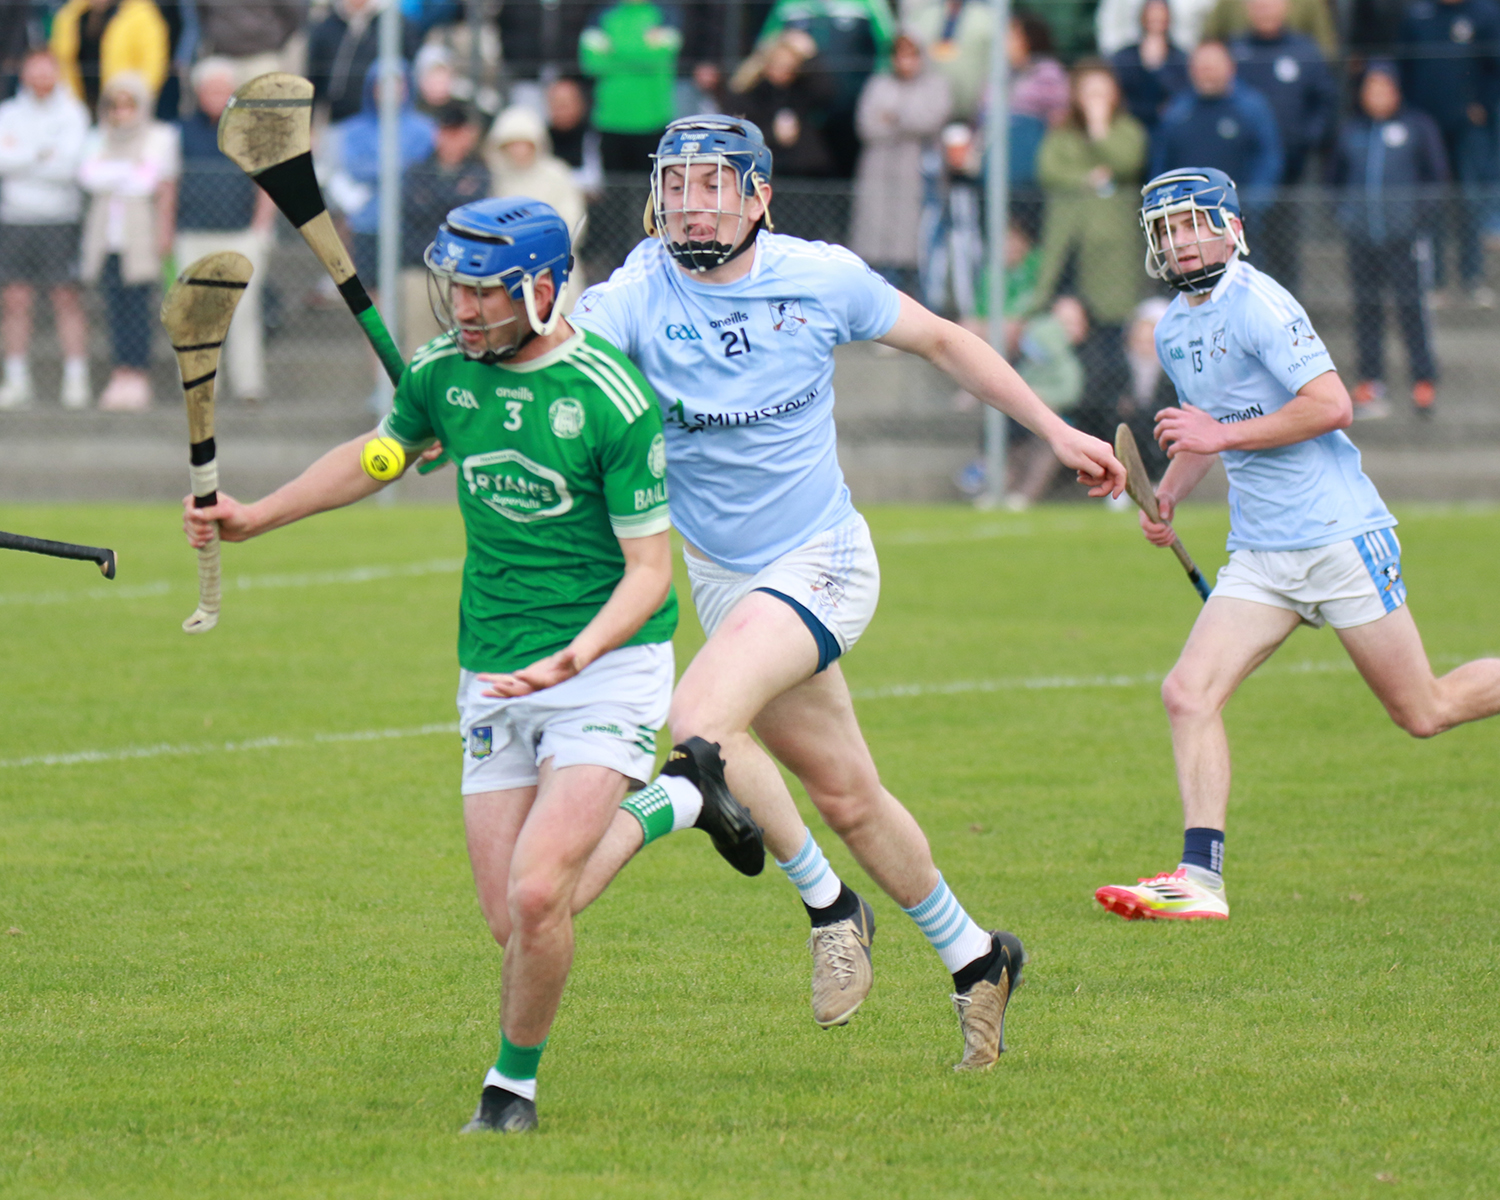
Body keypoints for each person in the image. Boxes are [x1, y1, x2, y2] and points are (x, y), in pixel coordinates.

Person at [180, 197, 765, 1134]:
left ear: (541, 290)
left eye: (483, 293)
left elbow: (651, 571)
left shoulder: (612, 398)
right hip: (493, 664)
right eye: (454, 288)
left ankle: (510, 1091)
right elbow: (378, 456)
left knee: (541, 894)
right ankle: (678, 800)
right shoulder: (443, 372)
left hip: (607, 667)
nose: (462, 308)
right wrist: (260, 514)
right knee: (514, 921)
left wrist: (577, 655)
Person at [565, 115, 1125, 1066]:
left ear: (759, 196)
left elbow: (947, 341)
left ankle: (820, 904)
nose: (691, 203)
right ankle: (975, 956)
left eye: (714, 184)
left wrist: (1054, 429)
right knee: (848, 795)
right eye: (676, 183)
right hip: (725, 580)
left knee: (698, 722)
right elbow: (564, 368)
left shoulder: (819, 277)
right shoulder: (635, 292)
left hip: (823, 561)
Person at [1094, 168, 1500, 922]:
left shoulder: (1261, 304)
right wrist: (1172, 491)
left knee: (1424, 710)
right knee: (1188, 692)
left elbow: (1331, 405)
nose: (1180, 243)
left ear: (1228, 226)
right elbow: (1203, 428)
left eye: (1192, 225)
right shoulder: (1176, 329)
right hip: (1261, 552)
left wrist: (1217, 433)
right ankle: (1199, 878)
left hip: (1336, 536)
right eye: (1166, 230)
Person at [1031, 59, 1148, 440]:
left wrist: (1100, 129)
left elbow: (1126, 161)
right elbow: (1050, 170)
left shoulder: (1127, 131)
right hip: (1069, 264)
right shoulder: (1062, 135)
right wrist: (1088, 178)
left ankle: (1112, 447)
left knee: (1109, 364)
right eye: (1088, 92)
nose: (1096, 99)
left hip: (1111, 272)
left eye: (1103, 91)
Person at [1330, 63, 1448, 418]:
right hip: (1362, 239)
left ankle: (1423, 379)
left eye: (1385, 87)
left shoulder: (1418, 127)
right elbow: (1333, 179)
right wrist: (1346, 215)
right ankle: (1371, 380)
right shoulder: (1351, 131)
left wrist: (1415, 218)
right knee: (1367, 309)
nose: (1378, 95)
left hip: (1405, 239)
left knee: (1412, 308)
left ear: (1397, 91)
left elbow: (1436, 176)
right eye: (1371, 88)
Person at [175, 57, 276, 405]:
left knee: (244, 312)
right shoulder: (182, 131)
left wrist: (260, 229)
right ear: (199, 92)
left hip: (241, 235)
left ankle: (249, 385)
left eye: (223, 89)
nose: (216, 95)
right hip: (193, 234)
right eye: (210, 89)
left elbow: (267, 183)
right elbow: (170, 183)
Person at [77, 70, 177, 411]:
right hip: (107, 241)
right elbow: (89, 175)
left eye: (129, 105)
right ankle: (120, 373)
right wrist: (127, 171)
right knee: (114, 308)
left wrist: (116, 172)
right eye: (115, 106)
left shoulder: (160, 135)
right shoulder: (97, 136)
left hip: (141, 240)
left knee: (137, 309)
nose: (122, 113)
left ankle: (138, 374)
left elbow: (149, 180)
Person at [0, 46, 92, 410]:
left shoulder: (74, 113)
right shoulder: (7, 113)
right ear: (23, 73)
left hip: (60, 219)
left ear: (56, 72)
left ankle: (76, 379)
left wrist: (21, 156)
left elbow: (70, 168)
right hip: (15, 219)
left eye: (46, 71)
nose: (40, 78)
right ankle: (17, 379)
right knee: (15, 301)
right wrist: (41, 153)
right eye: (33, 71)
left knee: (66, 299)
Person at [1227, 0, 1336, 292]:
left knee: (1286, 242)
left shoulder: (1304, 50)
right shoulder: (1235, 51)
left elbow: (1325, 100)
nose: (1264, 10)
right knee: (1244, 244)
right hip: (1242, 173)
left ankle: (1287, 310)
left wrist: (1308, 138)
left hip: (1291, 168)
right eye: (1258, 5)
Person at [1397, 0, 1500, 308]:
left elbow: (1494, 68)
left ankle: (1472, 279)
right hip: (1426, 127)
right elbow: (1404, 66)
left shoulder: (1484, 13)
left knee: (1472, 200)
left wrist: (1482, 105)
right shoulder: (1417, 14)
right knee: (1431, 203)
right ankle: (1434, 280)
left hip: (1470, 127)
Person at [850, 31, 951, 296]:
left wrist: (893, 116)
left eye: (911, 54)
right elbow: (866, 124)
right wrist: (907, 120)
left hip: (917, 176)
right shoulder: (879, 83)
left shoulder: (935, 84)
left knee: (916, 249)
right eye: (899, 54)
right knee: (879, 253)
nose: (905, 61)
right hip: (879, 176)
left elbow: (930, 118)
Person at [399, 101, 487, 356]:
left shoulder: (480, 170)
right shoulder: (418, 169)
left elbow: (470, 215)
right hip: (421, 269)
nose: (451, 140)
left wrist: (434, 200)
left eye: (457, 133)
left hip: (466, 275)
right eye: (446, 132)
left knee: (469, 348)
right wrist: (455, 197)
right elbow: (415, 209)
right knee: (419, 346)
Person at [1150, 41, 1282, 199]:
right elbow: (1161, 160)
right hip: (1185, 210)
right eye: (1200, 69)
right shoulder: (1177, 111)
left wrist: (1255, 203)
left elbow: (1268, 158)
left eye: (1211, 68)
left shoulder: (1251, 108)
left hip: (1237, 212)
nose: (1206, 74)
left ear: (1230, 68)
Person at [579, 0, 682, 174]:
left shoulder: (666, 13)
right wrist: (642, 48)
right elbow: (591, 64)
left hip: (652, 119)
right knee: (615, 190)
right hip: (610, 119)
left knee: (651, 190)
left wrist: (613, 49)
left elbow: (659, 59)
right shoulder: (601, 13)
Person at [49, 0, 169, 114]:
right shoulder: (71, 15)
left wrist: (130, 102)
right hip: (78, 104)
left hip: (122, 108)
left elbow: (153, 66)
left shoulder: (141, 14)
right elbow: (59, 58)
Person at [1109, 0, 1190, 134]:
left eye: (1160, 16)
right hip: (1131, 124)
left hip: (1169, 127)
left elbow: (1181, 95)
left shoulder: (1180, 58)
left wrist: (1158, 68)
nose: (1156, 20)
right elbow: (1121, 93)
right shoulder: (1124, 57)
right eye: (1152, 16)